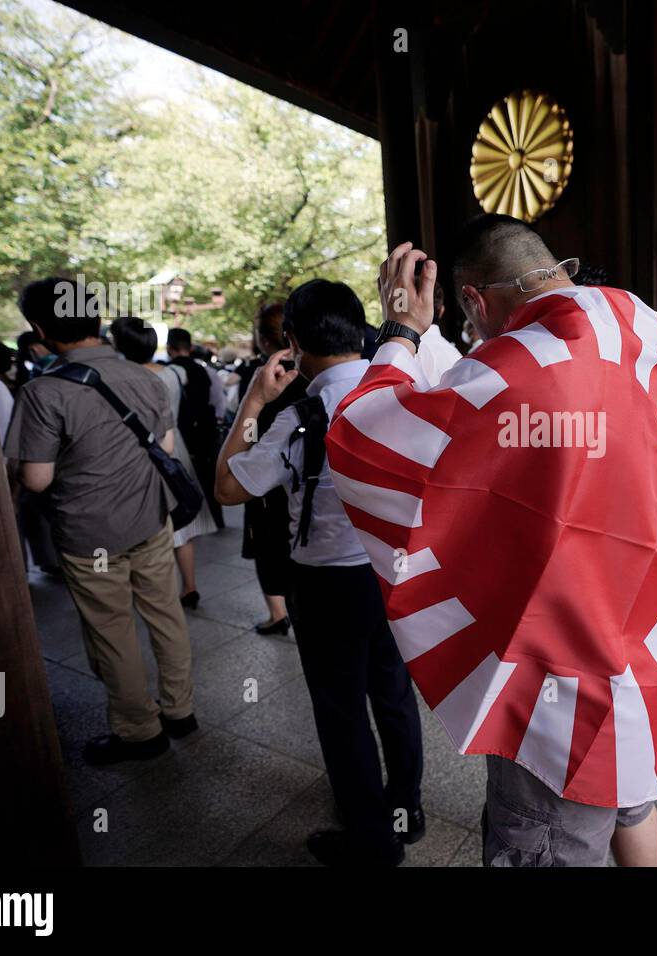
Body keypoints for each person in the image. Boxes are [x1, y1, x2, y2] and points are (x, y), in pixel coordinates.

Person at [325, 215, 657, 867]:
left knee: (544, 835)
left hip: (564, 675)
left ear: (472, 299)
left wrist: (403, 331)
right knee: (632, 799)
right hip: (644, 636)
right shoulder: (643, 328)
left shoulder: (517, 364)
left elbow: (364, 443)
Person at [216, 279, 425, 867]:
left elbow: (229, 487)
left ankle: (371, 839)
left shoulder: (299, 418)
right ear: (360, 329)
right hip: (395, 572)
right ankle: (406, 811)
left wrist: (254, 401)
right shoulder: (404, 392)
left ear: (292, 342)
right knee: (393, 694)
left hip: (328, 583)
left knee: (340, 711)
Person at [4, 277, 196, 766]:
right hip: (151, 519)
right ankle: (180, 710)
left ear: (40, 328)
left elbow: (38, 479)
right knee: (166, 614)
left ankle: (139, 731)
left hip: (89, 534)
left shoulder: (43, 392)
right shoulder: (145, 377)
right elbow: (166, 450)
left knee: (112, 632)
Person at [110, 317, 218, 609]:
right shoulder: (172, 373)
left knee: (153, 522)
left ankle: (157, 591)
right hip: (174, 443)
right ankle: (190, 585)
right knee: (182, 520)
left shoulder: (123, 379)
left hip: (143, 450)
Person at [236, 302, 308, 635]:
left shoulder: (259, 376)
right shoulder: (310, 369)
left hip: (266, 475)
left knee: (267, 543)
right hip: (305, 473)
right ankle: (297, 607)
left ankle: (278, 612)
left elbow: (247, 434)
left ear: (265, 340)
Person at [165, 327, 224, 532]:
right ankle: (215, 519)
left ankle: (190, 520)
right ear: (190, 347)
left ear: (169, 348)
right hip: (205, 431)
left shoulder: (167, 371)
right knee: (208, 476)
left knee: (183, 476)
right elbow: (216, 401)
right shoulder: (203, 370)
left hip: (181, 432)